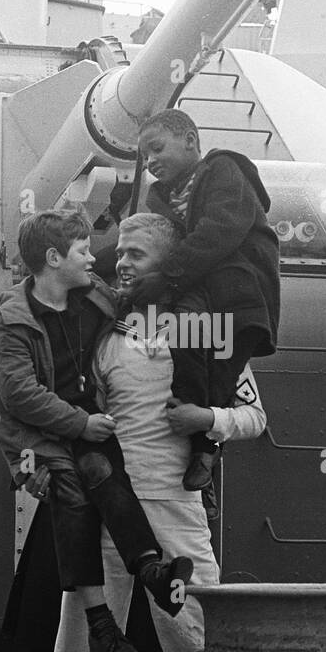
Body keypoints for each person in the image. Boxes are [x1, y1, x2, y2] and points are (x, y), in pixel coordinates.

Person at [38, 211, 267, 652]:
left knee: (198, 640)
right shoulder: (103, 336)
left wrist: (206, 422)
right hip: (109, 512)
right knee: (84, 643)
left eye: (137, 254)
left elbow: (255, 416)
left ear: (173, 261)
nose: (122, 264)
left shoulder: (209, 331)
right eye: (119, 255)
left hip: (175, 510)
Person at [0, 210, 194, 652]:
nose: (98, 259)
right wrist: (79, 427)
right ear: (54, 258)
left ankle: (149, 572)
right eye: (86, 250)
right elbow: (18, 395)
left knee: (105, 476)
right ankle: (102, 620)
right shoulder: (13, 318)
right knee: (76, 494)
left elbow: (139, 310)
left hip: (82, 421)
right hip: (42, 430)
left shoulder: (94, 299)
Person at [132, 109, 280, 492]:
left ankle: (205, 448)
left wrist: (163, 277)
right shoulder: (160, 196)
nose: (149, 161)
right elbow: (156, 240)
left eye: (157, 148)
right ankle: (202, 450)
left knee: (215, 371)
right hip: (199, 288)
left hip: (239, 293)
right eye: (144, 156)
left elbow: (220, 231)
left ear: (191, 140)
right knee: (190, 349)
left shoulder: (224, 170)